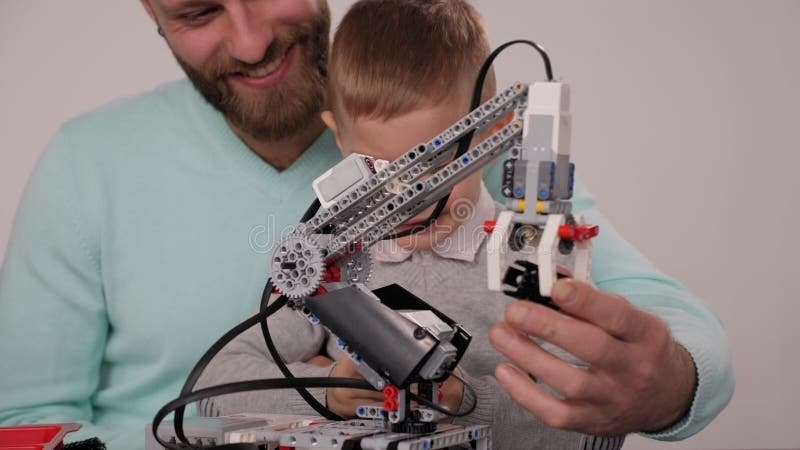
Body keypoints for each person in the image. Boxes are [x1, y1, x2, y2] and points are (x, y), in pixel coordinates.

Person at [0, 0, 732, 449]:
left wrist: (663, 380)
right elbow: (216, 377)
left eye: (439, 165)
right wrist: (332, 396)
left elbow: (671, 333)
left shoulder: (524, 206)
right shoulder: (339, 254)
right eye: (199, 11)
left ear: (498, 134)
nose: (251, 41)